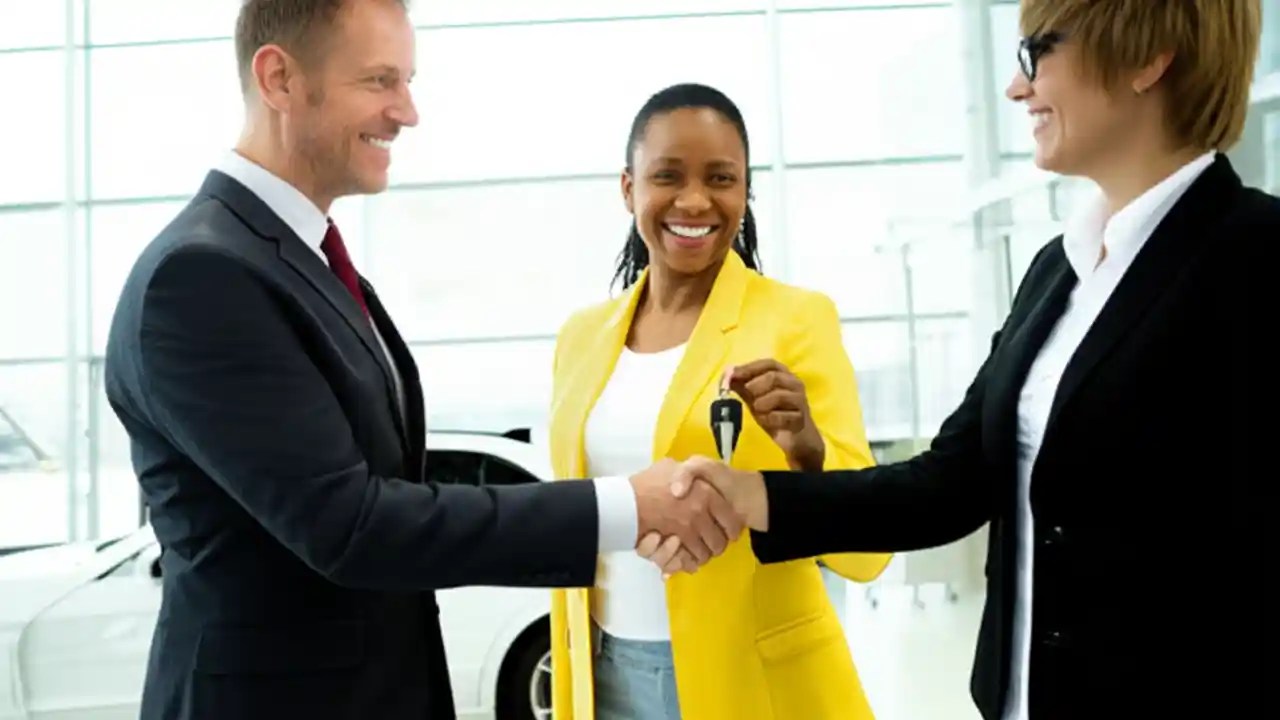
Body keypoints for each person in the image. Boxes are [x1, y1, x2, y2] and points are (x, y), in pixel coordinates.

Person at [101, 3, 741, 720]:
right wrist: (626, 506)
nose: (407, 112)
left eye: (407, 81)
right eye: (380, 80)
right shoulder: (201, 277)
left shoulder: (297, 260)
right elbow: (350, 525)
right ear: (279, 78)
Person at [661, 1, 1273, 718]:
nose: (1017, 88)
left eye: (1037, 53)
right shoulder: (1059, 270)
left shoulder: (1256, 257)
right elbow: (951, 483)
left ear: (1148, 58)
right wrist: (752, 495)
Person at [547, 83, 892, 720]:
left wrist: (808, 454)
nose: (694, 200)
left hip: (750, 681)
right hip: (601, 672)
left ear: (745, 191)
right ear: (628, 188)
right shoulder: (581, 338)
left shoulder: (796, 319)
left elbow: (868, 552)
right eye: (667, 176)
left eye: (721, 178)